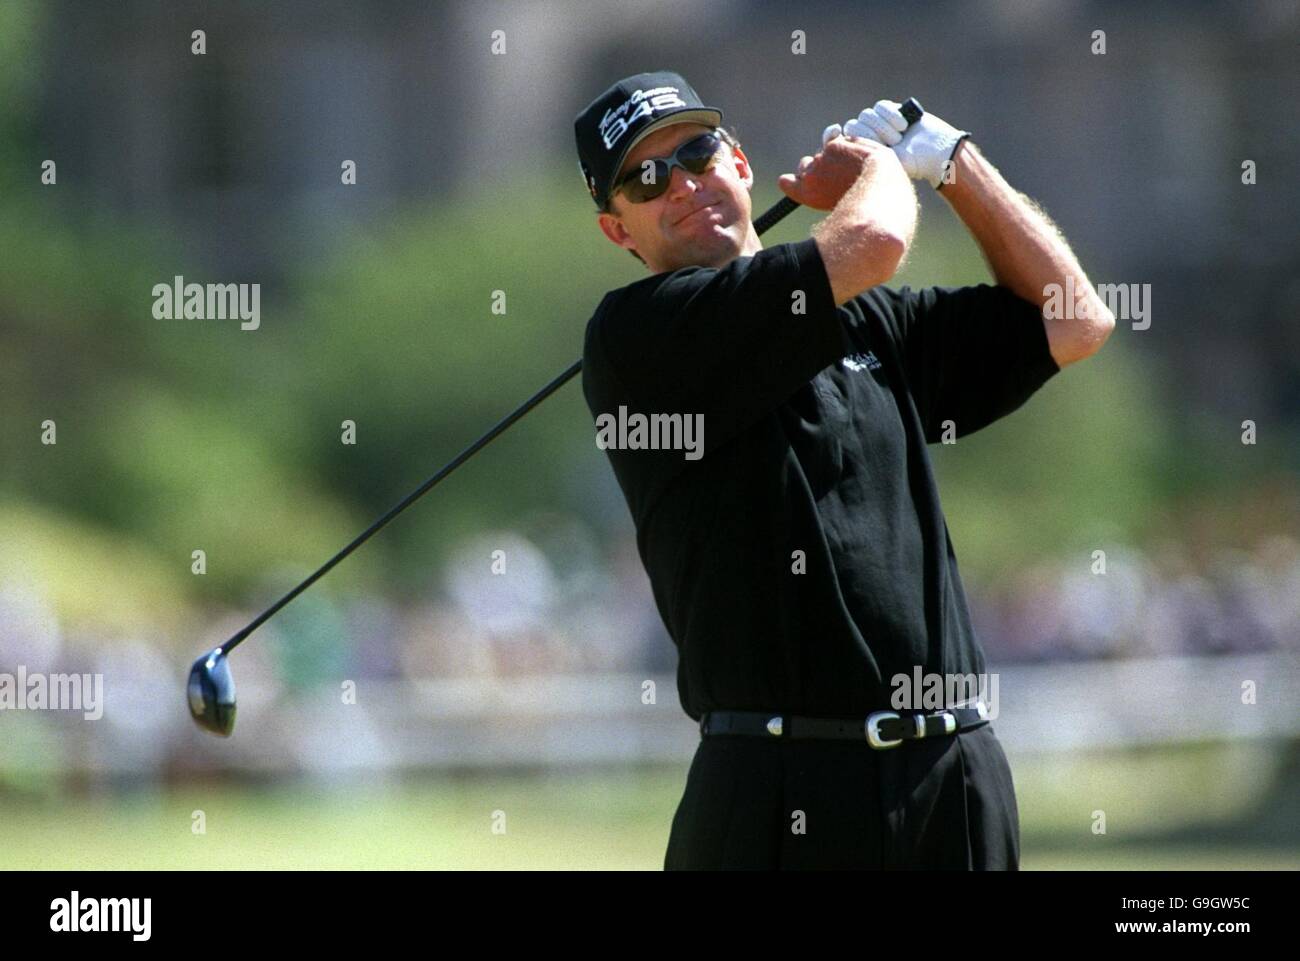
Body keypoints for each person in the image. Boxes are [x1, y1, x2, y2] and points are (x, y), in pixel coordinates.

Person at [573, 70, 1114, 869]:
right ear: (619, 232)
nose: (684, 184)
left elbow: (1076, 320)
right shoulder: (636, 339)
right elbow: (877, 243)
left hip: (952, 775)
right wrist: (880, 169)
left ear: (741, 161)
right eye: (646, 179)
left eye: (697, 151)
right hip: (778, 787)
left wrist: (954, 162)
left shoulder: (873, 324)